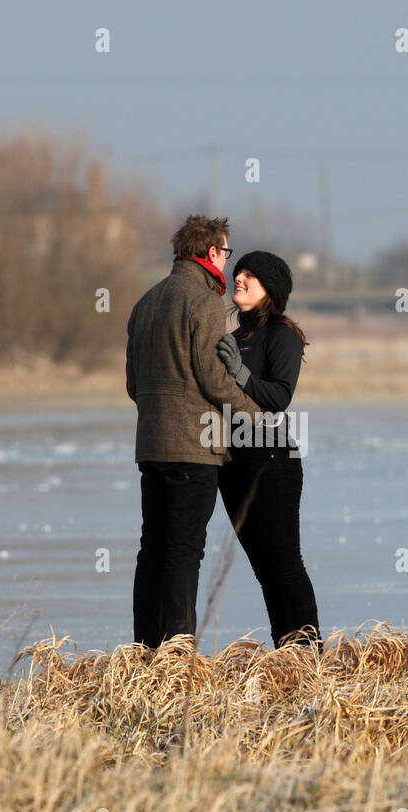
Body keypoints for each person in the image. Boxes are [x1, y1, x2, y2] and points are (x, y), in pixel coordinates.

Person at [126, 215, 263, 649]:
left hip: (152, 445)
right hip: (193, 448)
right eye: (225, 253)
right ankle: (177, 654)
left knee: (153, 549)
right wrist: (255, 413)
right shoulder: (202, 301)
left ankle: (145, 650)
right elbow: (212, 376)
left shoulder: (146, 302)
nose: (227, 263)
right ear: (209, 254)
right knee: (185, 551)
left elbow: (134, 384)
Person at [214, 251, 321, 649]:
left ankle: (308, 654)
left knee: (285, 565)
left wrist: (239, 373)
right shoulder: (234, 337)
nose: (239, 278)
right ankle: (286, 654)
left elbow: (279, 397)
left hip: (272, 460)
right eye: (238, 271)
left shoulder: (282, 334)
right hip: (232, 461)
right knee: (264, 569)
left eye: (250, 275)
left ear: (270, 289)